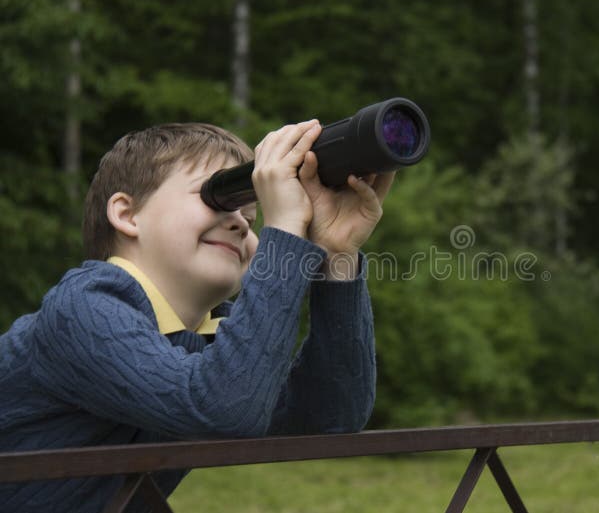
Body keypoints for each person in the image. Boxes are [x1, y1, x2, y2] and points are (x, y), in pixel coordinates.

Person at [0, 120, 394, 512]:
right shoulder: (82, 309)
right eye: (218, 196)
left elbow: (329, 416)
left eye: (255, 217)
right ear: (127, 214)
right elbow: (223, 408)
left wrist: (337, 255)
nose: (240, 221)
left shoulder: (217, 340)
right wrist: (286, 229)